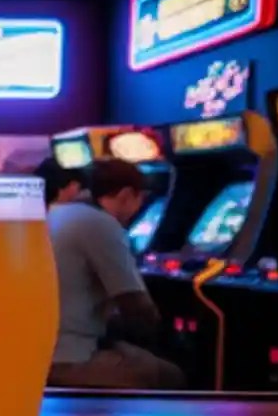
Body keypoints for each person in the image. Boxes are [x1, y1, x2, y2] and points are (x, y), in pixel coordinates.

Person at [46, 158, 185, 390]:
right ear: (126, 194)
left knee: (132, 350)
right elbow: (138, 309)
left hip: (44, 349)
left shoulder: (60, 213)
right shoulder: (100, 224)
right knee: (170, 374)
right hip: (68, 357)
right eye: (142, 199)